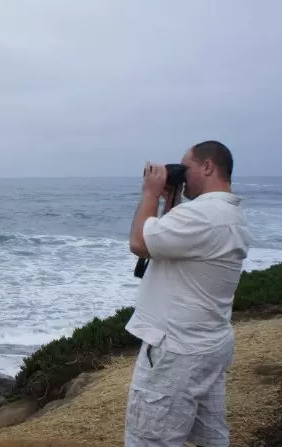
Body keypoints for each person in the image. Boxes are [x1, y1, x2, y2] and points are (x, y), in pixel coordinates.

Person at [124, 141, 252, 447]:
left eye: (187, 167)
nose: (182, 175)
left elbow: (140, 243)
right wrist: (171, 202)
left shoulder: (203, 215)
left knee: (149, 440)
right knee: (211, 438)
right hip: (208, 344)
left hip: (175, 350)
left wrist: (150, 194)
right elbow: (168, 243)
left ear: (207, 166)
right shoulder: (229, 213)